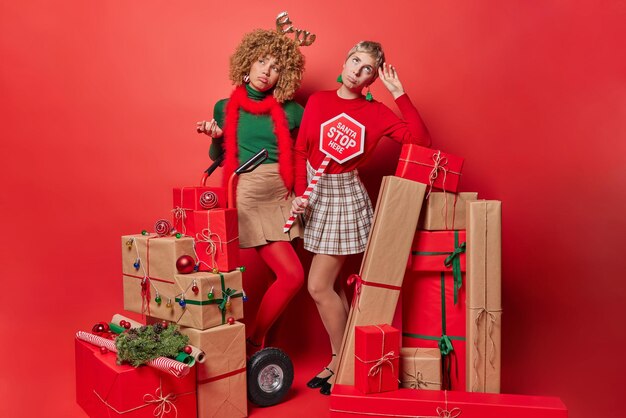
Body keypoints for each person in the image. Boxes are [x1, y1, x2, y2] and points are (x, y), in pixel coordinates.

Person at [291, 41, 431, 395]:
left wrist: (400, 95)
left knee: (318, 286)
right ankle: (340, 358)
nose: (357, 70)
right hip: (315, 195)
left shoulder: (377, 113)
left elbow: (421, 142)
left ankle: (342, 360)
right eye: (355, 61)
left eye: (367, 68)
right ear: (345, 60)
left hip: (344, 199)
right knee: (334, 287)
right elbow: (301, 150)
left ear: (372, 78)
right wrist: (298, 194)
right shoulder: (320, 101)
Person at [197, 28, 306, 356]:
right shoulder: (224, 107)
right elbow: (219, 158)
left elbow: (303, 154)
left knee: (282, 282)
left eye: (275, 67)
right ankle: (254, 340)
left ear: (282, 76)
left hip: (285, 196)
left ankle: (268, 356)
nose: (266, 72)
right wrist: (216, 137)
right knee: (292, 276)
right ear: (248, 62)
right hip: (250, 195)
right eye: (262, 62)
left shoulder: (292, 111)